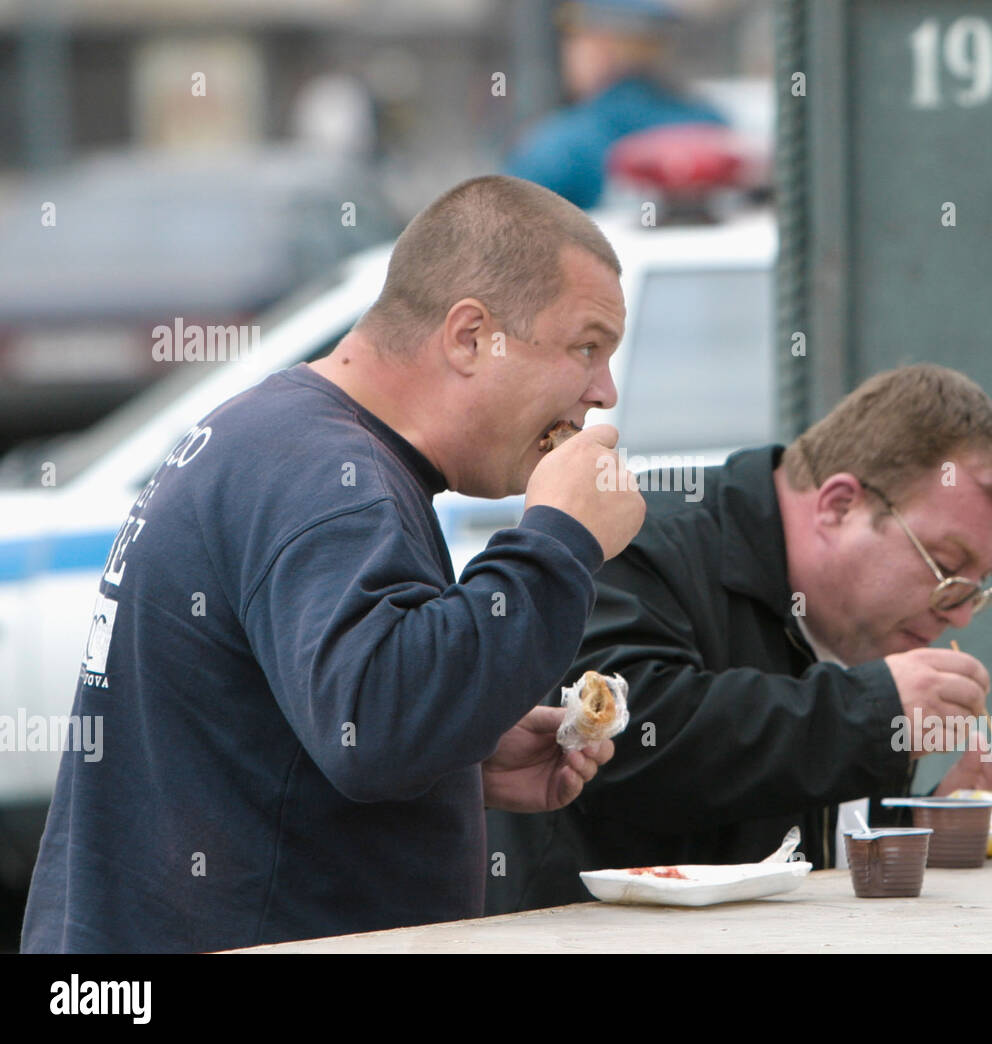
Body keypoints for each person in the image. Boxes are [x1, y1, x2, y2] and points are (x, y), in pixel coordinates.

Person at [21, 175, 645, 952]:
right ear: (469, 336)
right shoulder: (327, 476)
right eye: (587, 347)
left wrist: (461, 755)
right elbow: (375, 727)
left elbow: (313, 722)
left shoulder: (295, 437)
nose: (603, 392)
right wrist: (560, 540)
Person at [486, 364, 992, 912]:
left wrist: (930, 818)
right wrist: (869, 713)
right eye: (946, 568)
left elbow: (786, 837)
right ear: (839, 505)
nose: (960, 614)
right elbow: (625, 741)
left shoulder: (848, 622)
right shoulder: (636, 534)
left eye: (980, 587)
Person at [504, 0, 726, 208]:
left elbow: (507, 234)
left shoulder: (559, 144)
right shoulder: (712, 125)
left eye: (574, 40)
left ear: (601, 46)